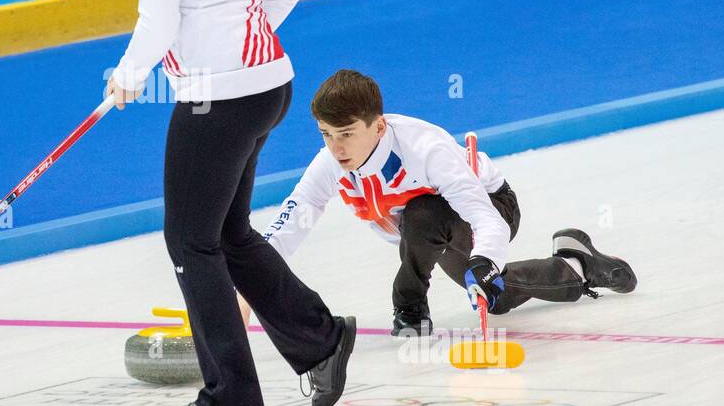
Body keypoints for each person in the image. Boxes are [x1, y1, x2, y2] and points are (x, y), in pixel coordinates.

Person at [102, 0, 355, 406]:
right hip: (270, 85)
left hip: (219, 97)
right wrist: (240, 41)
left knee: (190, 240)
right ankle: (321, 339)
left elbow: (156, 22)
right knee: (229, 236)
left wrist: (128, 76)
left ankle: (232, 397)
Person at [260, 69, 637, 335]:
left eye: (345, 133)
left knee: (421, 214)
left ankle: (410, 310)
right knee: (497, 297)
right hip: (430, 235)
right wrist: (248, 273)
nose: (335, 147)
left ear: (377, 126)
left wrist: (485, 259)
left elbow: (485, 218)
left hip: (492, 207)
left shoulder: (425, 149)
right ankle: (576, 264)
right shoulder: (331, 161)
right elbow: (294, 219)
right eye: (325, 134)